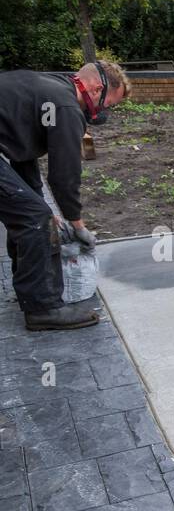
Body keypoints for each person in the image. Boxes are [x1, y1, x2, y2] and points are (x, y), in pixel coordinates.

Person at [0, 60, 130, 330]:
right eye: (108, 105)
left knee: (30, 211)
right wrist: (76, 223)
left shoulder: (52, 86)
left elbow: (22, 154)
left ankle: (28, 285)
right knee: (35, 218)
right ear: (96, 89)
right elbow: (64, 176)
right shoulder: (67, 107)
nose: (105, 112)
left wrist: (39, 202)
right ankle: (42, 309)